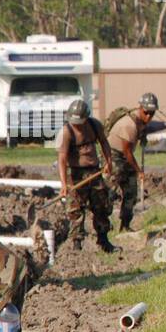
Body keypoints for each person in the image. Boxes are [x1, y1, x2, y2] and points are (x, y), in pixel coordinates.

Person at [106, 93, 166, 231]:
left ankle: (125, 225)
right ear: (140, 108)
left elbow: (151, 127)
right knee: (109, 192)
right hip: (112, 155)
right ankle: (103, 225)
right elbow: (127, 152)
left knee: (131, 190)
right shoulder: (129, 125)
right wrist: (139, 171)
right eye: (146, 112)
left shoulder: (141, 121)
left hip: (125, 156)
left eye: (152, 113)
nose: (149, 116)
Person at [56, 98, 116, 252]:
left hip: (94, 172)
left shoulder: (95, 126)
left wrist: (109, 162)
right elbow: (62, 159)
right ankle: (77, 244)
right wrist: (64, 184)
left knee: (101, 206)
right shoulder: (66, 133)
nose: (77, 125)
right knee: (75, 210)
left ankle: (103, 241)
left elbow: (104, 143)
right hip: (75, 174)